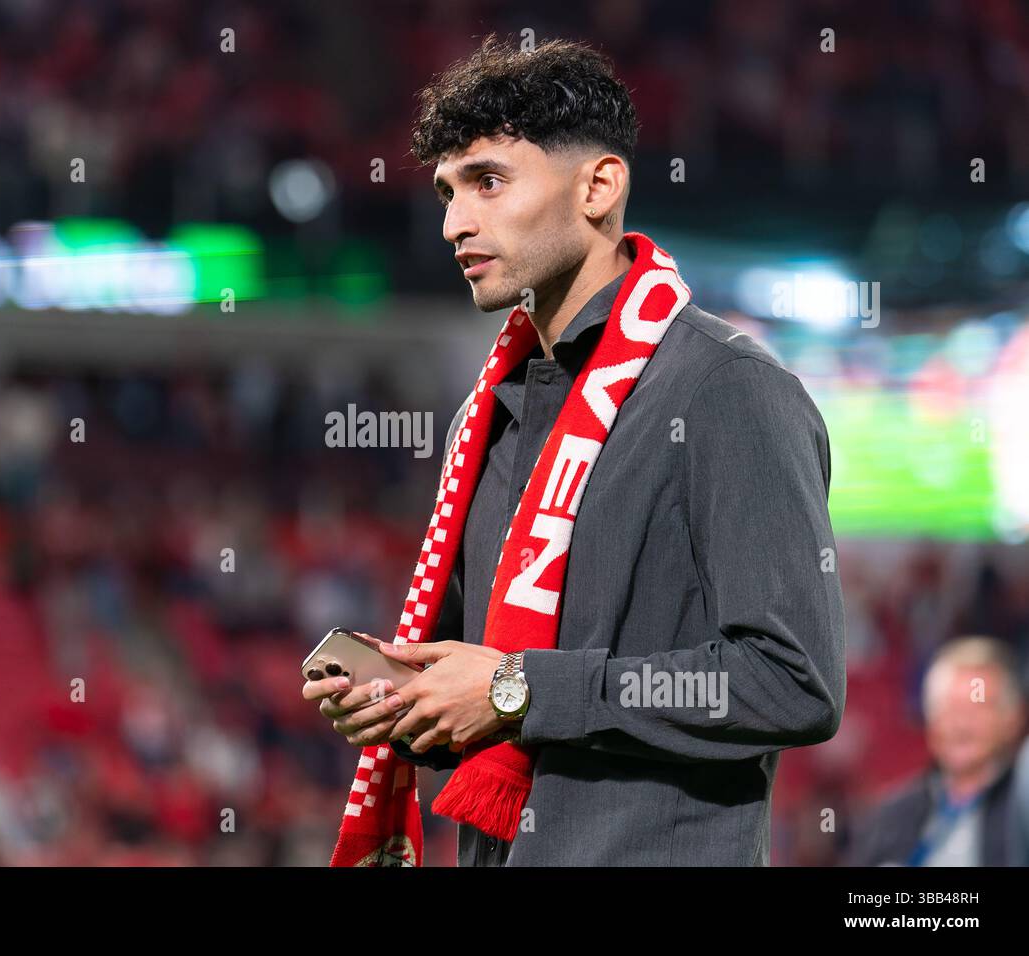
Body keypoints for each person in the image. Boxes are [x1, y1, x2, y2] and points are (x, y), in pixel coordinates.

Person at [303, 34, 845, 866]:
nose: (453, 223)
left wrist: (520, 690)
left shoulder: (727, 391)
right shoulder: (490, 414)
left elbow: (791, 681)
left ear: (599, 186)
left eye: (488, 182)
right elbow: (489, 694)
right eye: (447, 192)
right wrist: (405, 702)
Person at [849, 636, 1027, 866]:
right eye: (949, 710)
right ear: (930, 722)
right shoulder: (893, 815)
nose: (961, 725)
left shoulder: (1021, 806)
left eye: (977, 710)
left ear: (1012, 719)